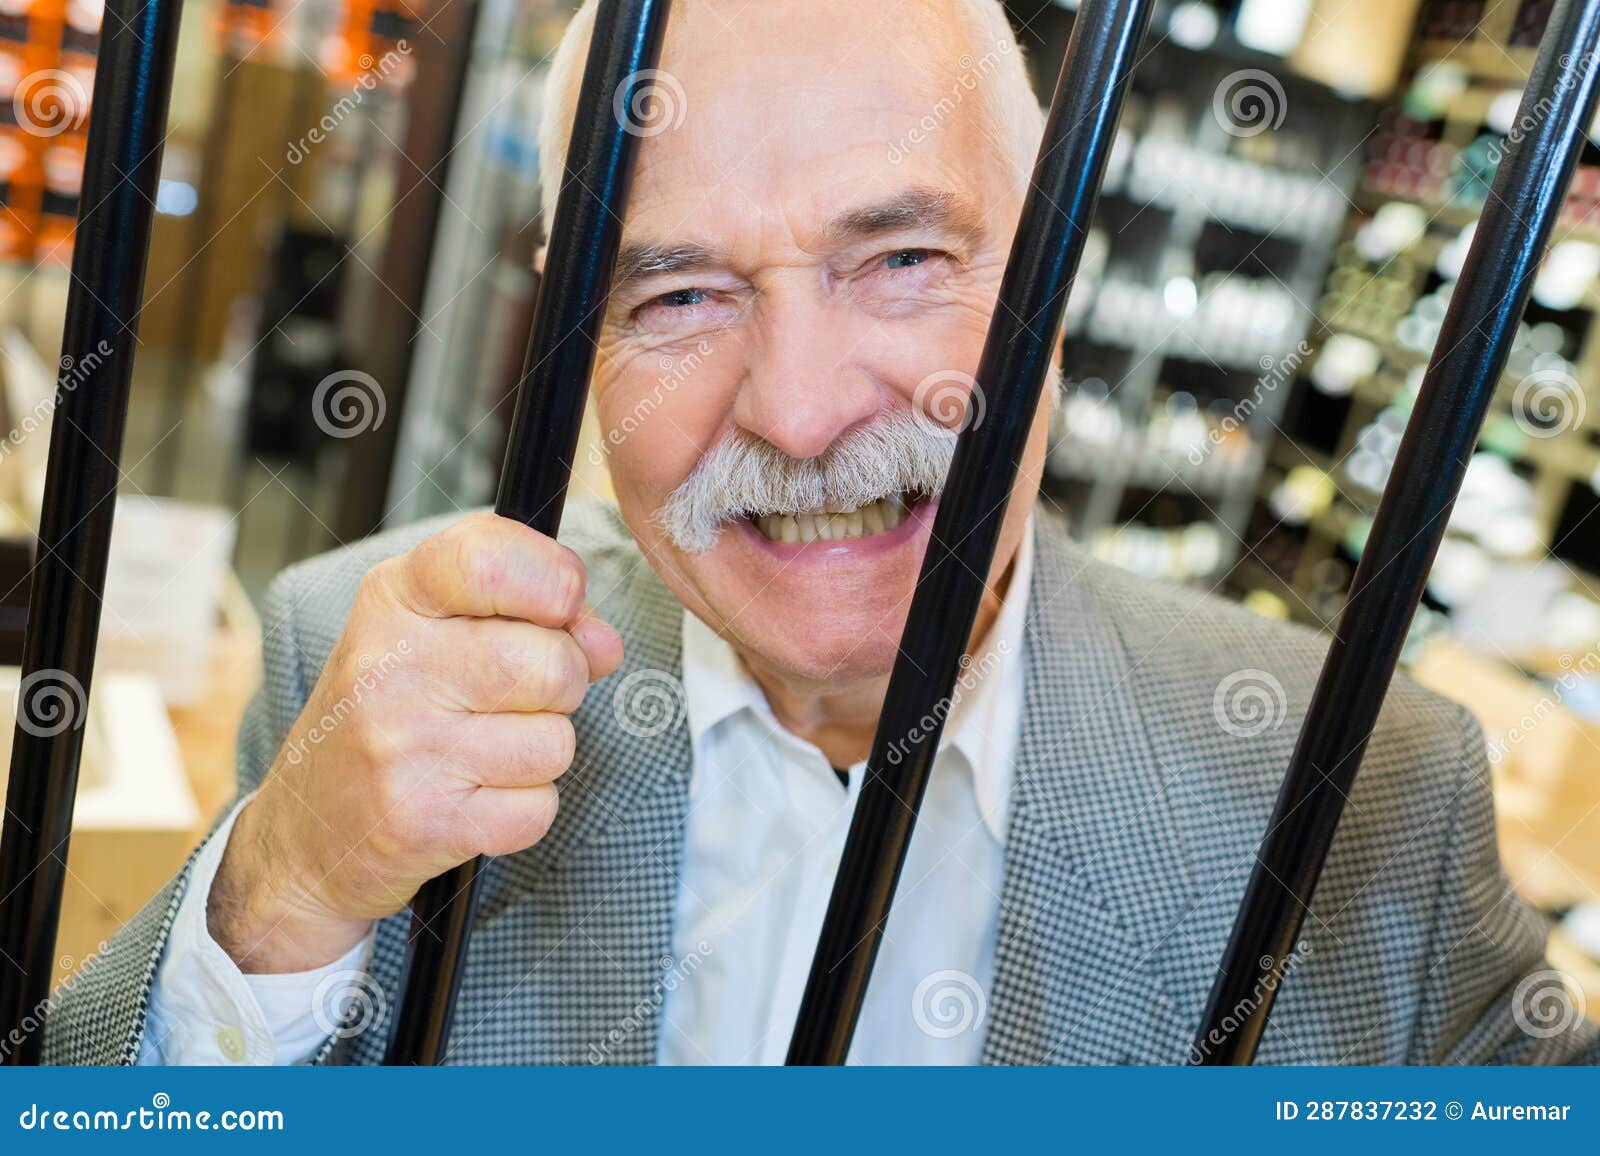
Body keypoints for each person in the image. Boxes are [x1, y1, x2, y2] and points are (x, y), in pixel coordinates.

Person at [44, 0, 1599, 1064]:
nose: (794, 412)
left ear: (1061, 268)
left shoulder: (1367, 789)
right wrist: (277, 902)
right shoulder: (363, 660)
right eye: (677, 295)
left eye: (905, 256)